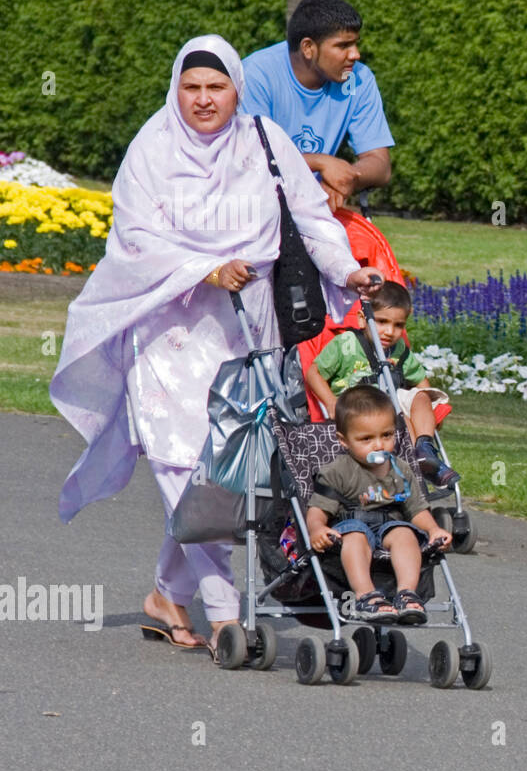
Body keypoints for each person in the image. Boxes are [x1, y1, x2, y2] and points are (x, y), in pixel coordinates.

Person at [51, 35, 382, 651]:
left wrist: (347, 271)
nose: (204, 100)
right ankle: (226, 610)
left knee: (233, 470)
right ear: (176, 89)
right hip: (170, 327)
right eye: (191, 87)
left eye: (217, 87)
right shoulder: (151, 149)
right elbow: (135, 238)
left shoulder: (264, 141)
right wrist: (201, 268)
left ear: (237, 89)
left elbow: (311, 218)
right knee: (183, 460)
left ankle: (166, 594)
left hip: (249, 328)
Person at [305, 386, 454, 623]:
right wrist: (317, 529)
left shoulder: (401, 469)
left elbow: (417, 509)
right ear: (344, 441)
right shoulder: (337, 471)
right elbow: (317, 510)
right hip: (353, 522)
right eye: (366, 439)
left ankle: (407, 594)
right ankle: (366, 596)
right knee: (355, 536)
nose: (379, 445)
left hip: (390, 523)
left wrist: (433, 529)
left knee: (406, 533)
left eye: (386, 435)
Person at [241, 0, 394, 212]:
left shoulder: (356, 80)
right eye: (343, 46)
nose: (356, 54)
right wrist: (319, 162)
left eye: (355, 44)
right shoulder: (256, 75)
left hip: (313, 210)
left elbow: (380, 164)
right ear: (308, 48)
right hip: (254, 209)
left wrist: (344, 178)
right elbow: (250, 162)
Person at [305, 280, 460, 489]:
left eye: (398, 325)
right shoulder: (347, 344)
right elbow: (313, 372)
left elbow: (421, 380)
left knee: (421, 396)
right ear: (362, 319)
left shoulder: (399, 351)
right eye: (382, 321)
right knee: (401, 417)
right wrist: (331, 402)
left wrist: (428, 415)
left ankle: (424, 449)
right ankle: (415, 468)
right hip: (357, 406)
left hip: (390, 401)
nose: (390, 331)